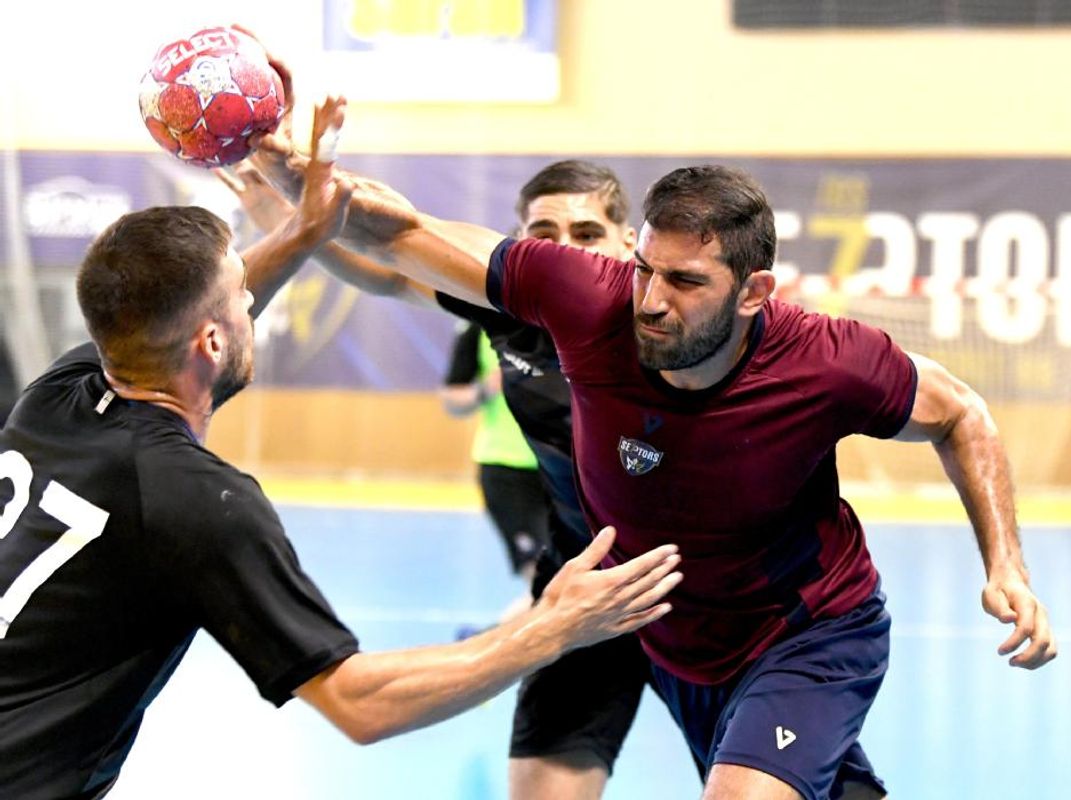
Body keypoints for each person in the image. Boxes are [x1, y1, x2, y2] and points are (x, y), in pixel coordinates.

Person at [252, 96, 1060, 800]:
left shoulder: (827, 360)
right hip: (653, 617)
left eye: (685, 282)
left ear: (754, 294)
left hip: (803, 630)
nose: (651, 301)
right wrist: (298, 173)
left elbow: (961, 413)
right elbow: (404, 237)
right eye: (644, 269)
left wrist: (1006, 566)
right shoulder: (584, 299)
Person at [0, 100, 683, 800]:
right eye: (243, 295)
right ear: (212, 338)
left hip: (710, 591)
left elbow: (182, 316)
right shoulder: (200, 501)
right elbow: (360, 702)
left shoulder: (59, 395)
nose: (254, 299)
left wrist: (301, 235)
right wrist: (551, 627)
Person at [221, 156, 679, 800]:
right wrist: (301, 224)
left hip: (696, 590)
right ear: (516, 246)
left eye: (585, 234)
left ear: (627, 245)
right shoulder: (507, 311)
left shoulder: (671, 329)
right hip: (580, 588)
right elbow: (386, 269)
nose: (564, 251)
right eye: (543, 235)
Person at [441, 320, 550, 592]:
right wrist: (485, 389)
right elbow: (452, 398)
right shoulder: (477, 325)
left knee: (566, 572)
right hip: (505, 468)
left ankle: (491, 632)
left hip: (563, 468)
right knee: (542, 576)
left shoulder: (562, 318)